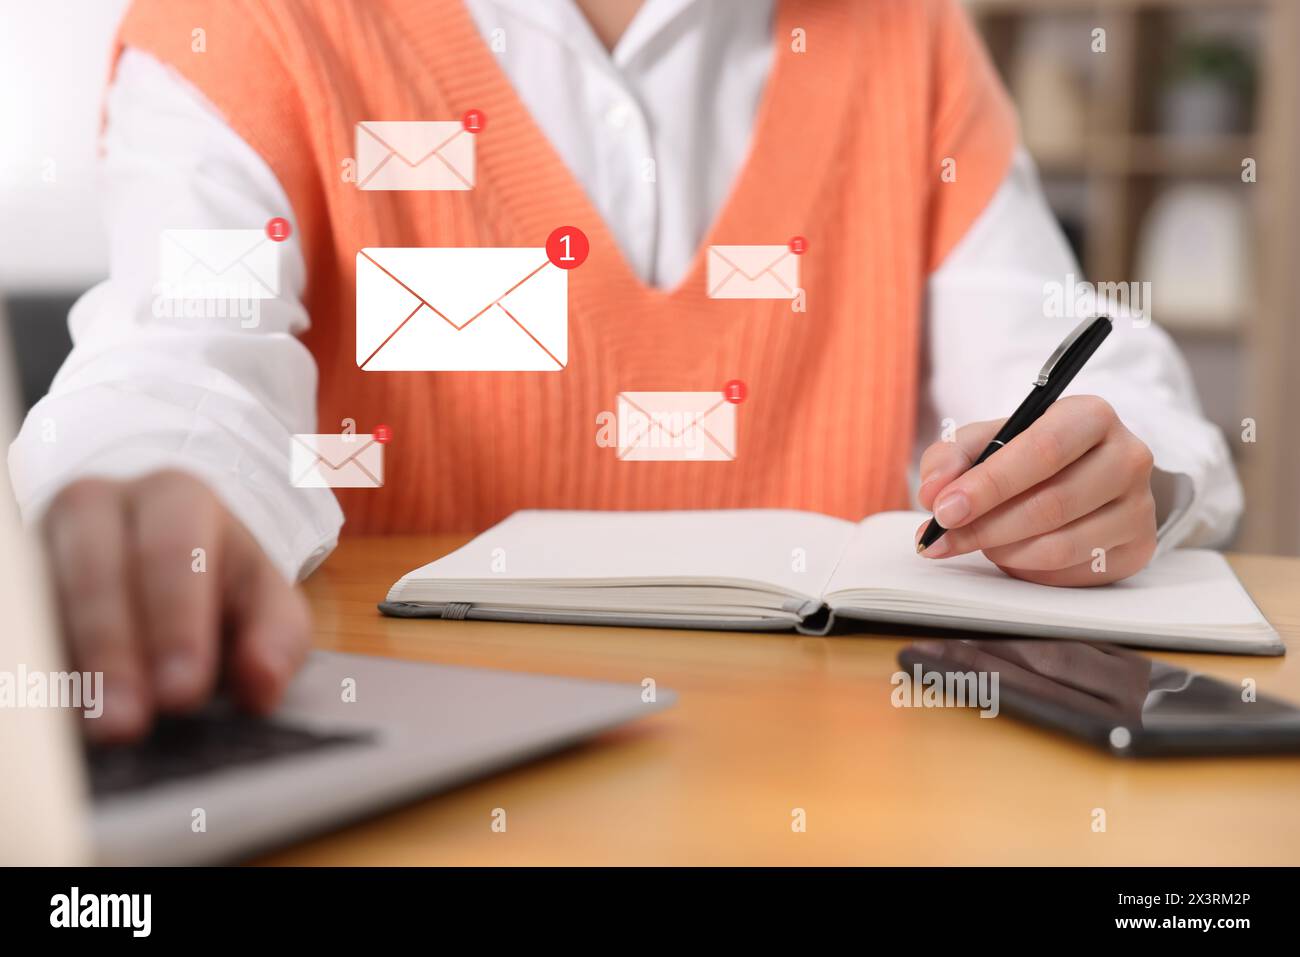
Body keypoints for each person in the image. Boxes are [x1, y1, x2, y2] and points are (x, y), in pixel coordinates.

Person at [7, 0, 1240, 743]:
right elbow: (179, 362)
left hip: (844, 807)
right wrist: (143, 496)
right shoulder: (258, 29)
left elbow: (1065, 356)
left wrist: (1112, 463)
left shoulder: (903, 38)